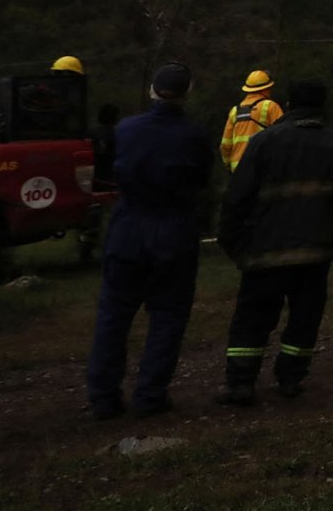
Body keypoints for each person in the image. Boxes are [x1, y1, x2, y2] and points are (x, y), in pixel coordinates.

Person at [215, 79, 333, 406]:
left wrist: (232, 242)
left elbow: (236, 198)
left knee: (253, 316)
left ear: (288, 104)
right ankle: (291, 378)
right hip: (317, 251)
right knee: (305, 317)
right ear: (322, 105)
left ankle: (241, 383)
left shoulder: (264, 142)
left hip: (264, 251)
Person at [84, 63, 212, 420]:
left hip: (128, 229)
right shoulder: (195, 136)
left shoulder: (126, 129)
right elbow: (202, 180)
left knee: (113, 315)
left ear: (152, 91)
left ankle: (103, 397)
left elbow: (110, 169)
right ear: (188, 93)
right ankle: (150, 395)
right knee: (168, 316)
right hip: (173, 231)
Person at [221, 69, 283, 173]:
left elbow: (225, 145)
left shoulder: (234, 111)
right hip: (261, 168)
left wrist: (228, 165)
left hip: (238, 169)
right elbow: (282, 136)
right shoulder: (271, 106)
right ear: (266, 89)